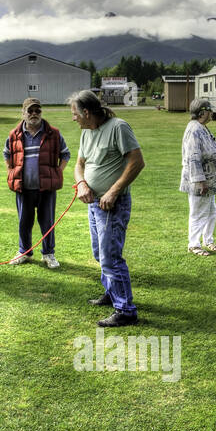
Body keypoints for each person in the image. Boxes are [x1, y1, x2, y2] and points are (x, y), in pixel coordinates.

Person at [72, 89, 144, 327]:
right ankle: (112, 292)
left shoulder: (118, 127)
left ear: (86, 112)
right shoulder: (86, 132)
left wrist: (113, 191)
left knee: (110, 257)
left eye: (74, 113)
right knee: (99, 253)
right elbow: (79, 165)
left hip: (112, 204)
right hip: (93, 203)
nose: (73, 118)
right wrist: (82, 183)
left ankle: (125, 310)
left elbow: (137, 161)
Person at [0, 98, 69, 267]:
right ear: (23, 113)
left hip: (46, 188)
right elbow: (6, 153)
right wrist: (10, 170)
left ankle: (48, 254)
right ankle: (24, 252)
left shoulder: (54, 133)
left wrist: (58, 171)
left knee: (47, 222)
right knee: (24, 221)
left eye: (37, 111)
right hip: (24, 187)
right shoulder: (14, 134)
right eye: (30, 111)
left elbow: (65, 154)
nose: (33, 114)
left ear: (41, 113)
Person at [181, 100, 216, 255]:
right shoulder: (194, 130)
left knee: (211, 211)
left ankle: (208, 240)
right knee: (198, 213)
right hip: (200, 182)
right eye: (209, 110)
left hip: (209, 182)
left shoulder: (202, 128)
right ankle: (194, 244)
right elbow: (193, 158)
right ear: (202, 112)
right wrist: (200, 181)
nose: (212, 113)